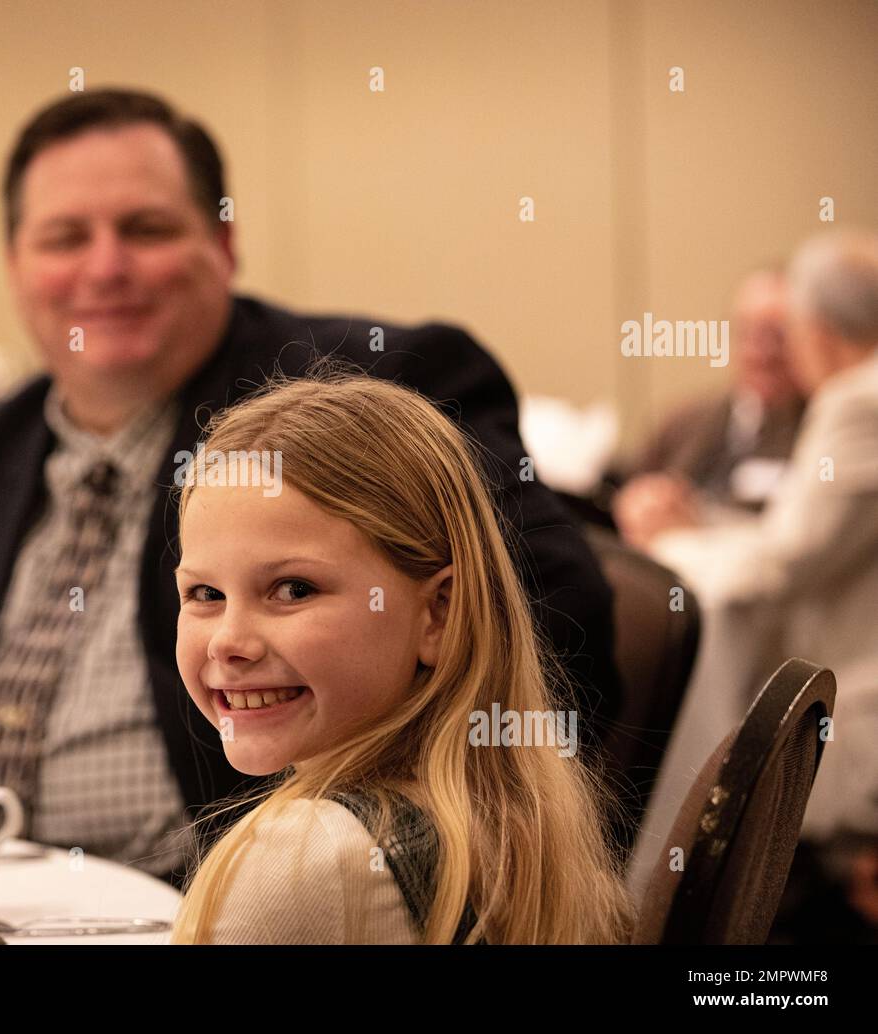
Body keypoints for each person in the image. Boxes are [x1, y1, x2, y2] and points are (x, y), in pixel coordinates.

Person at [0, 88, 624, 885]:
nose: (105, 269)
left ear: (222, 244)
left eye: (145, 228)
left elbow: (547, 617)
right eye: (65, 238)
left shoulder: (368, 394)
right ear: (14, 265)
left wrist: (337, 851)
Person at [168, 370, 635, 943]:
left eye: (293, 589)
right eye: (205, 594)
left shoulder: (301, 862)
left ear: (438, 613)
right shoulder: (511, 820)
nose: (227, 642)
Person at [624, 229, 878, 927]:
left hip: (857, 706)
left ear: (815, 325)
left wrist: (673, 540)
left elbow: (780, 566)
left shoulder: (858, 401)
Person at [613, 267, 805, 541]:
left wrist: (696, 526)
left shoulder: (824, 427)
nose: (761, 351)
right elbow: (628, 494)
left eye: (776, 335)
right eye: (748, 332)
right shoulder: (685, 420)